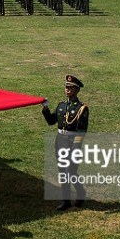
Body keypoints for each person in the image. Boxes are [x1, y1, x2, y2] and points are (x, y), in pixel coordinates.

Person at [42, 75, 89, 210]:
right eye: (66, 87)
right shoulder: (61, 105)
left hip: (72, 144)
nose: (67, 89)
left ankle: (80, 192)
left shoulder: (82, 108)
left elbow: (81, 131)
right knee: (63, 171)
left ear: (76, 90)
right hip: (60, 142)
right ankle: (66, 201)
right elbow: (51, 121)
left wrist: (75, 147)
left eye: (70, 88)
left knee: (71, 171)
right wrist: (45, 109)